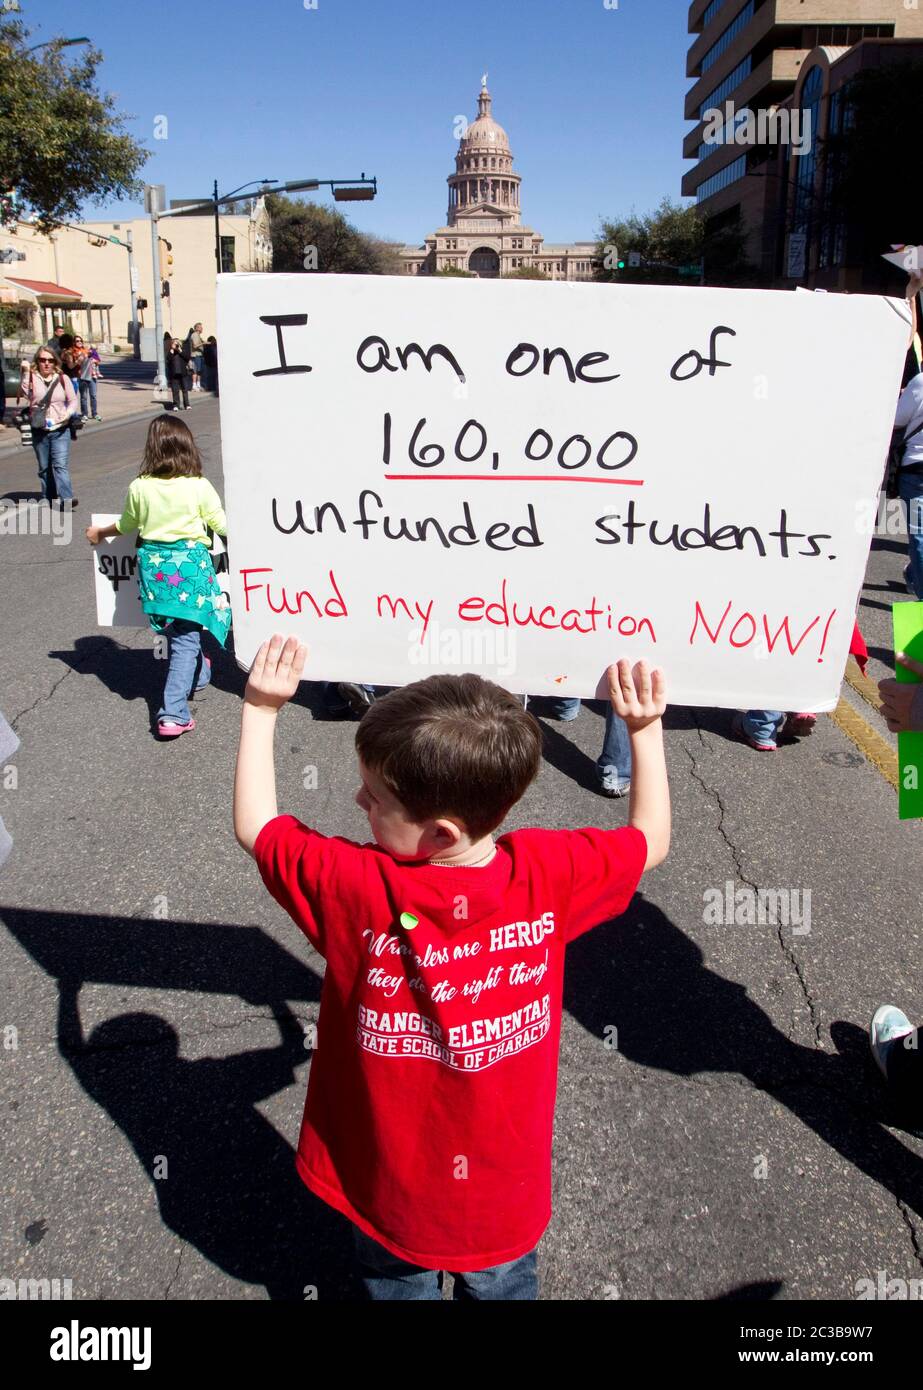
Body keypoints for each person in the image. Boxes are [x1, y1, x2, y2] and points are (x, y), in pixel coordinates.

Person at [234, 640, 670, 1299]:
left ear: (438, 832)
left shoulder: (355, 886)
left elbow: (256, 826)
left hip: (386, 1190)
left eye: (374, 797)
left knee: (393, 1283)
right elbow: (651, 840)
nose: (358, 800)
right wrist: (643, 728)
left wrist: (261, 707)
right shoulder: (549, 874)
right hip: (502, 1194)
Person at [85, 415, 231, 738]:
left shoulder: (140, 487)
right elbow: (223, 526)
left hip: (155, 576)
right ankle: (173, 712)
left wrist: (99, 532)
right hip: (190, 574)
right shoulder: (198, 486)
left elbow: (125, 526)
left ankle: (199, 673)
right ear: (187, 446)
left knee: (177, 634)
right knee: (186, 640)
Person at [18, 348, 79, 507]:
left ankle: (67, 498)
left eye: (50, 360)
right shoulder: (31, 378)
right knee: (44, 467)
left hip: (61, 428)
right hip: (39, 429)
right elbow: (26, 394)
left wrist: (68, 413)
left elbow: (73, 400)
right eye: (43, 360)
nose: (46, 363)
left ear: (55, 362)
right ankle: (49, 497)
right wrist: (25, 372)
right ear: (37, 361)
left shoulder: (63, 378)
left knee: (60, 465)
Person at [72, 336, 102, 422]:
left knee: (93, 395)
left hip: (92, 375)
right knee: (83, 397)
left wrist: (94, 360)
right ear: (74, 343)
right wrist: (82, 356)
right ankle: (84, 414)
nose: (79, 342)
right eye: (77, 341)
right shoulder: (74, 352)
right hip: (82, 376)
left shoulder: (87, 350)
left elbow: (98, 360)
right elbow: (76, 363)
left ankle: (95, 413)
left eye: (80, 340)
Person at [166, 338, 191, 412]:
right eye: (174, 343)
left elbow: (187, 358)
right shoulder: (171, 352)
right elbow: (168, 359)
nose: (176, 345)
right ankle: (176, 405)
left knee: (185, 390)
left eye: (177, 343)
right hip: (174, 374)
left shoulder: (182, 351)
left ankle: (187, 405)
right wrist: (171, 351)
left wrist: (180, 350)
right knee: (175, 390)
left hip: (183, 373)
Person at [185, 322, 206, 392]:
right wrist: (203, 343)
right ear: (197, 328)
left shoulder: (198, 335)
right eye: (200, 327)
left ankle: (198, 385)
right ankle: (194, 386)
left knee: (199, 371)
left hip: (199, 355)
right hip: (195, 355)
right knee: (195, 371)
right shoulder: (194, 335)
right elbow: (195, 346)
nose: (202, 328)